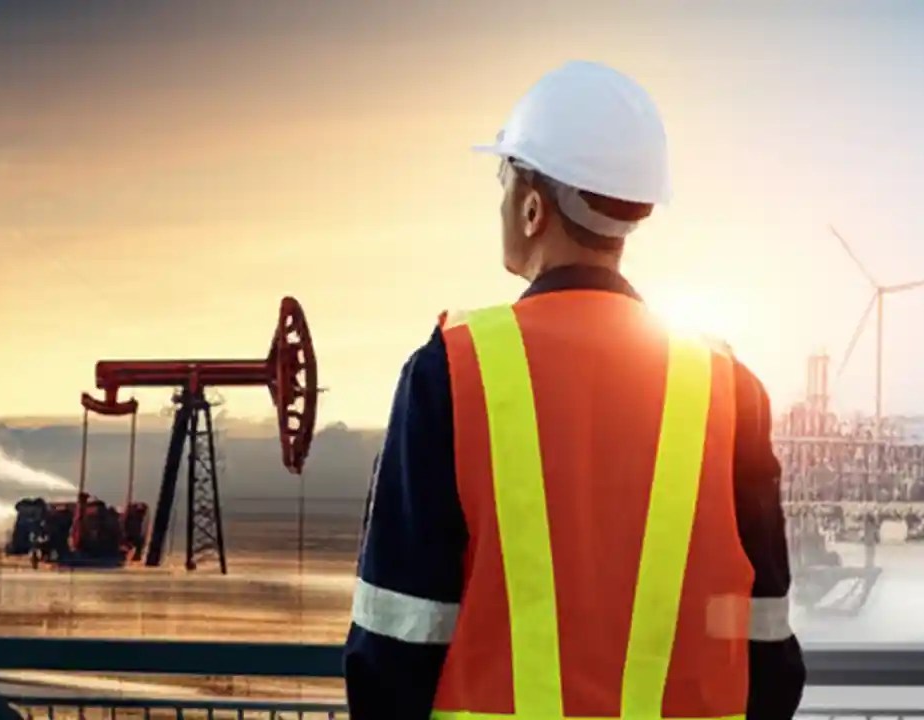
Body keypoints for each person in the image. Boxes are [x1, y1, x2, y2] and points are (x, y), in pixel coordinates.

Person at [344, 60, 806, 720]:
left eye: (504, 177)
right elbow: (769, 649)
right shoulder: (726, 387)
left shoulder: (451, 372)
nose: (499, 200)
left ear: (533, 206)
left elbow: (395, 641)